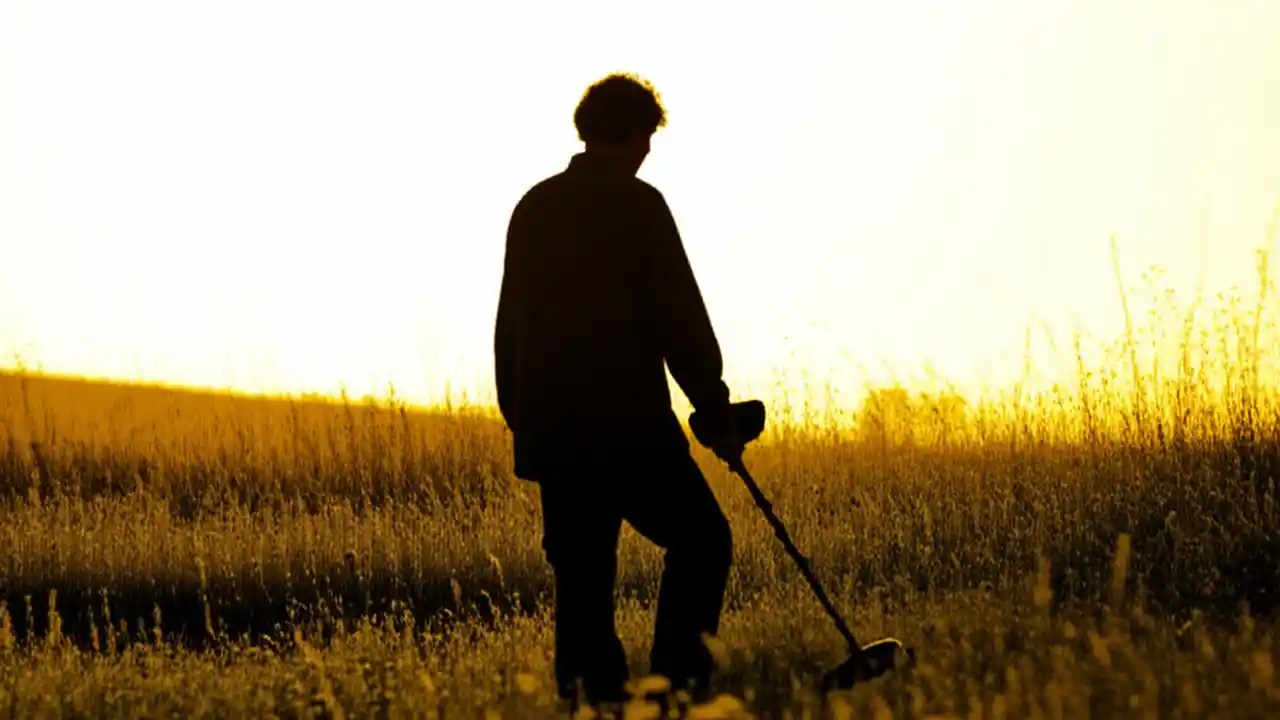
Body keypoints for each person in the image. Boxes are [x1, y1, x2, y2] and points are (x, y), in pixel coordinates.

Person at [493, 72, 743, 706]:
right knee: (704, 540)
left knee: (583, 581)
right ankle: (675, 691)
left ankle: (592, 705)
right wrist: (711, 403)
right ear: (634, 134)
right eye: (648, 137)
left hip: (554, 432)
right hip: (629, 429)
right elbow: (677, 316)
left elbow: (509, 324)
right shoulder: (638, 205)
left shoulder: (534, 207)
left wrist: (522, 419)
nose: (649, 151)